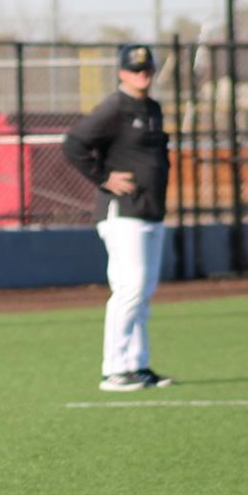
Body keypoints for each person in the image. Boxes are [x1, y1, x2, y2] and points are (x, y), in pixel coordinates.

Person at [62, 43, 176, 392]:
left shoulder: (152, 108)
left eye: (147, 69)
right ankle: (114, 369)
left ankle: (137, 364)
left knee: (143, 292)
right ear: (122, 72)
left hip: (149, 211)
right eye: (135, 69)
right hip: (123, 212)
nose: (142, 74)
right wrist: (103, 178)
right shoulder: (115, 107)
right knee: (129, 289)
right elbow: (74, 144)